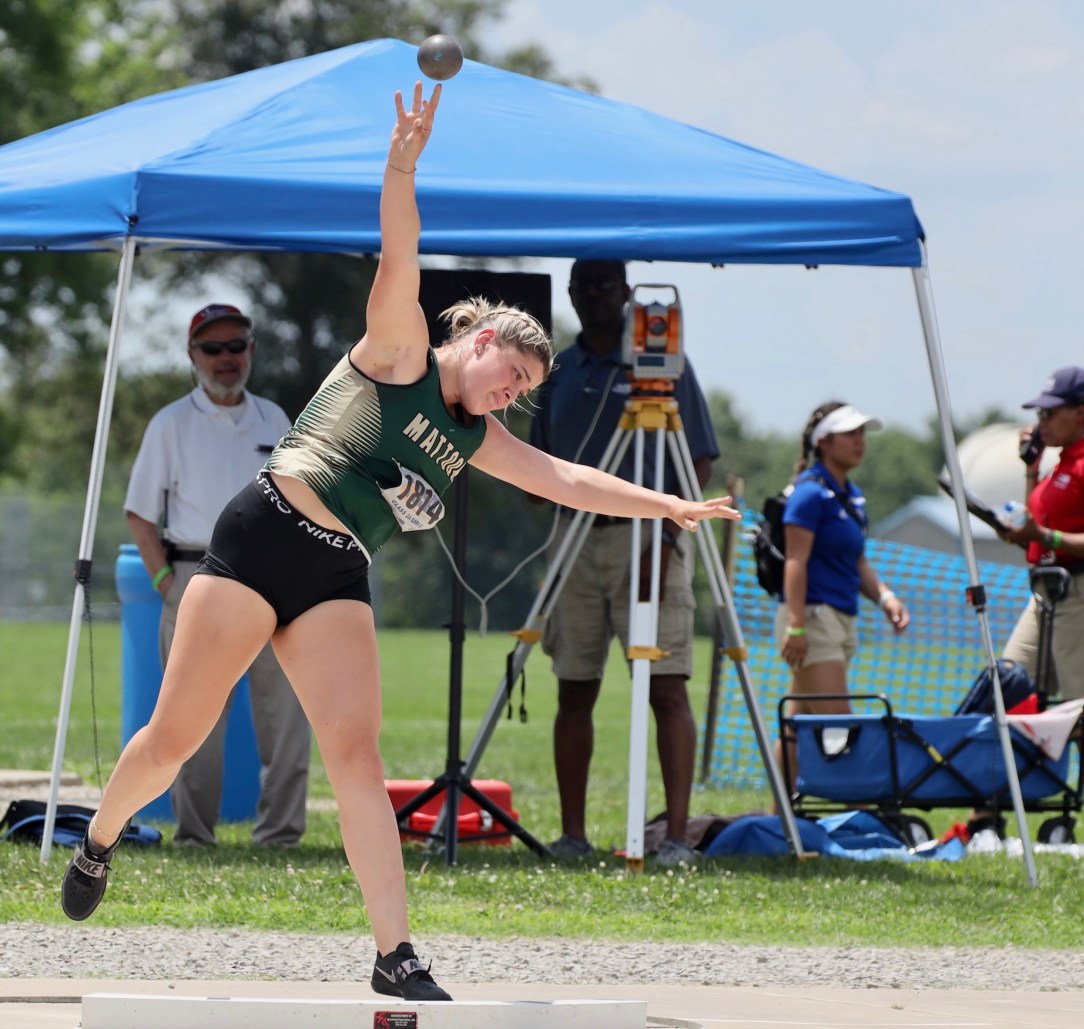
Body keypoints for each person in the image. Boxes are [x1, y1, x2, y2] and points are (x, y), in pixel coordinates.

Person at [60, 83, 739, 1002]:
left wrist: (668, 504)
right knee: (175, 737)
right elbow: (401, 250)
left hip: (336, 571)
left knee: (357, 756)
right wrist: (400, 166)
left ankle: (396, 951)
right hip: (264, 536)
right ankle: (99, 839)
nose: (510, 397)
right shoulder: (400, 350)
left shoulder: (475, 436)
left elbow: (566, 479)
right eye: (511, 376)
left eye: (522, 394)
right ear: (484, 337)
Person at [528, 258, 721, 869]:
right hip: (575, 537)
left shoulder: (662, 364)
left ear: (626, 291)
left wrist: (663, 542)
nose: (592, 296)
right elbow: (534, 463)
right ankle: (572, 836)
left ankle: (676, 838)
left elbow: (697, 460)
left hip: (649, 535)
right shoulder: (557, 368)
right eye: (581, 287)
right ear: (569, 294)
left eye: (604, 285)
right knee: (573, 685)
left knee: (666, 686)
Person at [124, 302, 311, 849]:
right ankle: (194, 835)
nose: (226, 357)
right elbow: (140, 514)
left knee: (288, 714)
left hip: (273, 579)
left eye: (236, 345)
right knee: (190, 718)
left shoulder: (275, 418)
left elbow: (301, 498)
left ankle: (280, 835)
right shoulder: (170, 423)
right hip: (195, 574)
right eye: (213, 348)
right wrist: (166, 584)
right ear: (193, 355)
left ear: (251, 350)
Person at [996, 366, 1084, 847]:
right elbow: (1037, 530)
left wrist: (1045, 536)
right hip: (1048, 593)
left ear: (1080, 413)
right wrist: (1031, 470)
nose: (1042, 422)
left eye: (1051, 413)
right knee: (1007, 688)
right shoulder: (1062, 462)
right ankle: (985, 818)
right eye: (1040, 414)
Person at [777, 402, 909, 729]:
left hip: (841, 619)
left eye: (862, 433)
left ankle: (780, 769)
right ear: (824, 442)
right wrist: (796, 626)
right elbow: (795, 560)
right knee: (840, 726)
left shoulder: (853, 496)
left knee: (800, 725)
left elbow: (858, 561)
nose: (860, 441)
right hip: (813, 620)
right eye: (850, 434)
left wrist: (885, 597)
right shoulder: (809, 493)